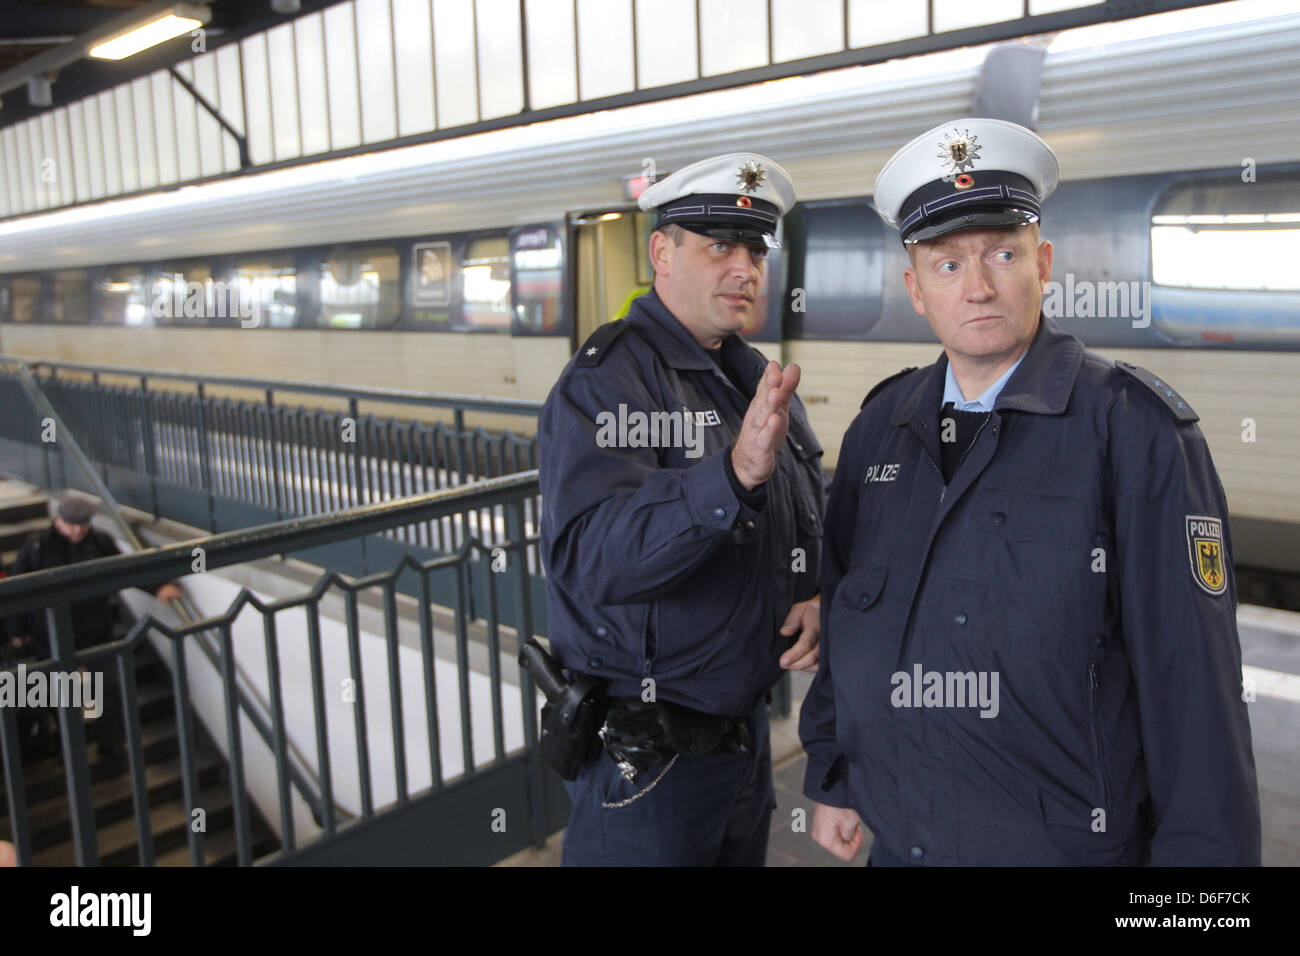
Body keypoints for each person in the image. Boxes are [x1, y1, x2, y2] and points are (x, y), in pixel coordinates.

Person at [800, 118, 1260, 866]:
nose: (978, 286)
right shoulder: (882, 428)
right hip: (903, 845)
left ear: (1043, 264)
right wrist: (832, 775)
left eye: (1002, 254)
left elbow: (1195, 697)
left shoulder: (1134, 433)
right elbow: (848, 624)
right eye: (947, 266)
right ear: (915, 290)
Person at [538, 152, 826, 866]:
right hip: (649, 759)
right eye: (719, 246)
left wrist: (812, 586)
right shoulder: (609, 381)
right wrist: (726, 478)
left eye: (755, 249)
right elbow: (590, 557)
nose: (746, 268)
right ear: (662, 254)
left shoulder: (744, 370)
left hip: (738, 736)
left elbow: (793, 503)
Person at [7, 497, 182, 760]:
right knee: (60, 697)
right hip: (52, 637)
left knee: (107, 689)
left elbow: (125, 570)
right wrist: (17, 632)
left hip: (94, 633)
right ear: (58, 521)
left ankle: (109, 743)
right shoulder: (37, 547)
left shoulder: (100, 542)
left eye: (83, 524)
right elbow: (18, 593)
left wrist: (158, 587)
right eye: (71, 524)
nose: (78, 530)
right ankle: (64, 747)